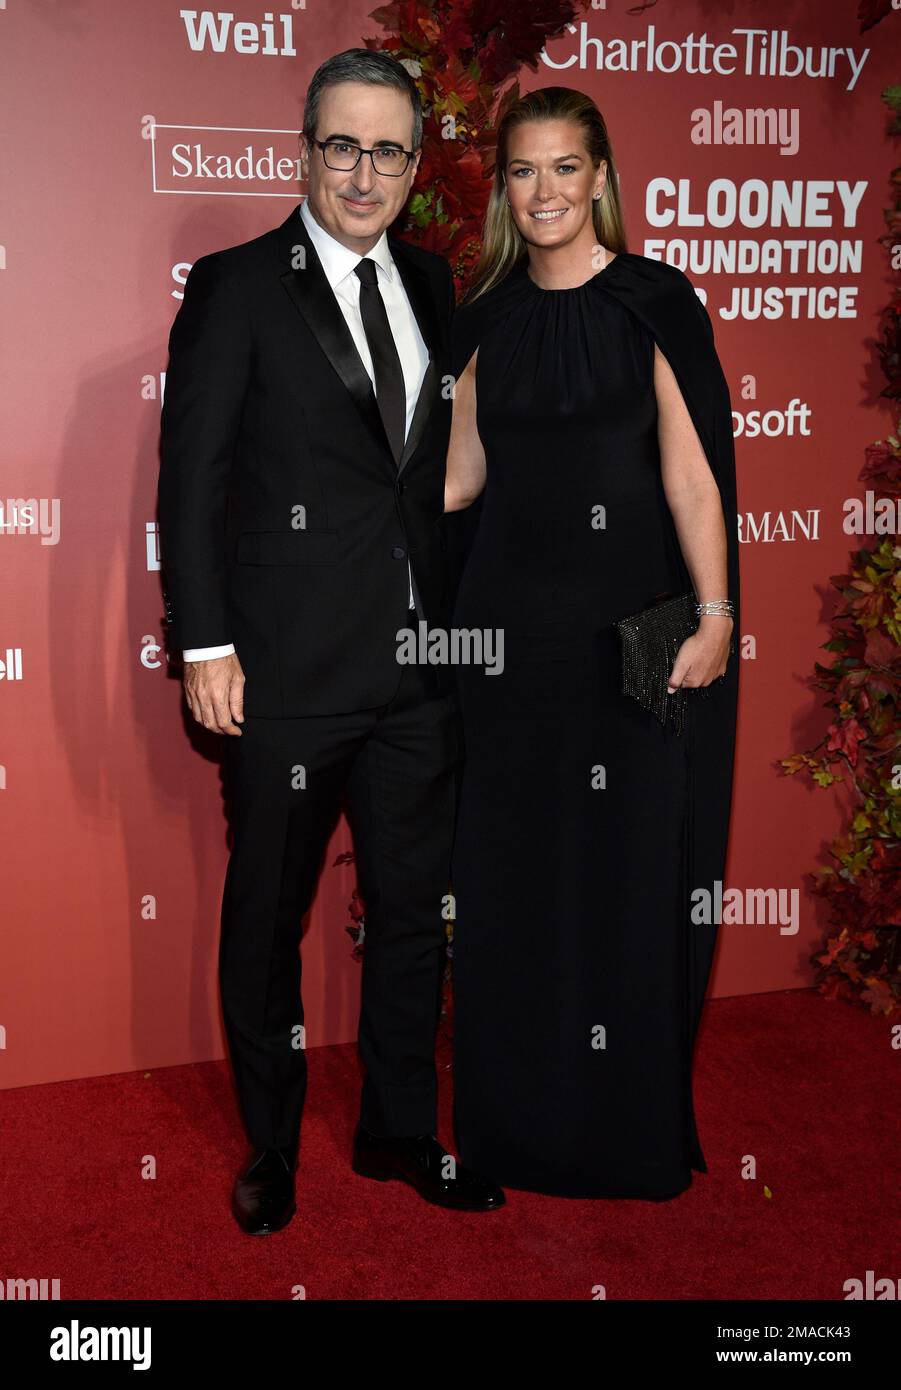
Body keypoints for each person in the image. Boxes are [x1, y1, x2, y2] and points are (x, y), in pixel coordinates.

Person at [158, 48, 504, 1234]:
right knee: (267, 913)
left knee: (415, 912)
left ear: (415, 164)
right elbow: (191, 480)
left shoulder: (432, 281)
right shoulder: (237, 284)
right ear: (306, 148)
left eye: (390, 149)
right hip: (286, 671)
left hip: (419, 671)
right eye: (343, 144)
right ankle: (269, 1144)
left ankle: (399, 1129)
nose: (365, 171)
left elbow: (431, 477)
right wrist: (204, 644)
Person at [444, 87, 741, 1200]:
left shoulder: (653, 303)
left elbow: (689, 480)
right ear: (503, 192)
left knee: (624, 882)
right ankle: (517, 1133)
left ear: (602, 177)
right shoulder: (485, 318)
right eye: (524, 171)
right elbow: (460, 477)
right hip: (508, 647)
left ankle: (622, 1135)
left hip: (633, 641)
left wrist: (715, 615)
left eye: (566, 168)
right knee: (515, 888)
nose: (546, 191)